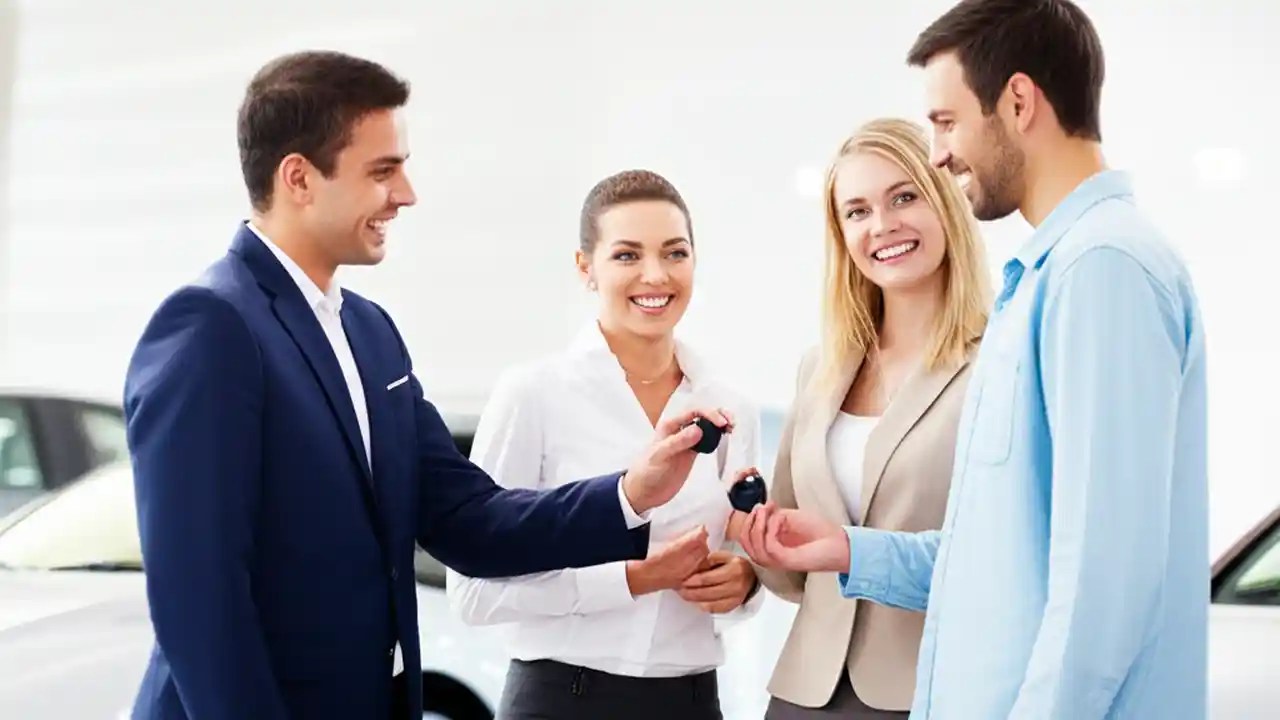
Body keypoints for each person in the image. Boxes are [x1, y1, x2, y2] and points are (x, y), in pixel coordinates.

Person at [123, 51, 728, 720]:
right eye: (383, 171)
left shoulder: (371, 332)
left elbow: (470, 521)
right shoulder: (210, 326)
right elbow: (197, 598)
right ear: (298, 178)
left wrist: (628, 493)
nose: (406, 193)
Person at [739, 1, 1209, 718]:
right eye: (856, 211)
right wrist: (847, 550)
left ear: (1017, 101)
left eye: (947, 121)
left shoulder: (1102, 271)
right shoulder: (1049, 281)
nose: (939, 152)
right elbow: (989, 554)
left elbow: (1101, 583)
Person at [446, 169, 762, 720]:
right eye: (626, 255)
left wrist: (746, 583)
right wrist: (633, 579)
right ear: (584, 267)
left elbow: (744, 555)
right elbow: (473, 594)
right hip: (560, 701)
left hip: (690, 701)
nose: (655, 275)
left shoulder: (731, 407)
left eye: (674, 252)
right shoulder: (534, 395)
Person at [736, 118, 989, 720]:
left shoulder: (998, 365)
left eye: (904, 196)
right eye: (857, 210)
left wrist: (850, 550)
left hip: (935, 692)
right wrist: (762, 543)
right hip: (805, 694)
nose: (883, 226)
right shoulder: (821, 369)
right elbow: (794, 579)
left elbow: (1001, 562)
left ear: (946, 204)